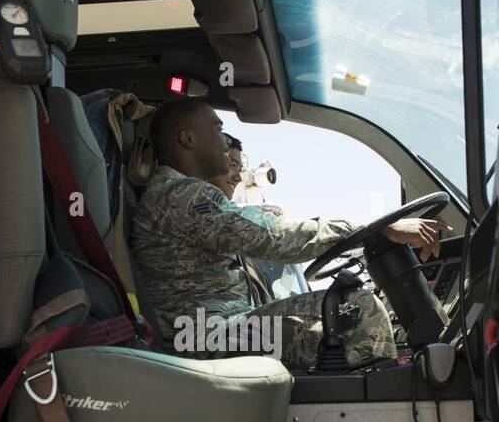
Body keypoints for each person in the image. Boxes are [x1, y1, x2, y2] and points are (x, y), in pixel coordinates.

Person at [131, 99, 446, 371]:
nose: (225, 144)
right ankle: (377, 410)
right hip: (202, 338)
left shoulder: (179, 194)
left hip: (208, 333)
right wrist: (377, 228)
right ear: (188, 139)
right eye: (218, 131)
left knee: (347, 314)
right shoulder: (181, 196)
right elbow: (276, 238)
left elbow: (268, 231)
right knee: (359, 309)